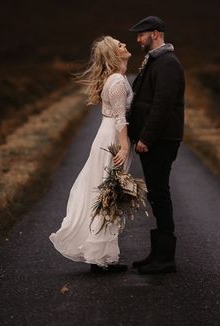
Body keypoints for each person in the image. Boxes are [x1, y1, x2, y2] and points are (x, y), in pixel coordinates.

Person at [49, 36, 133, 273]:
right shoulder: (116, 81)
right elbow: (120, 118)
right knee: (108, 193)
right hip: (112, 140)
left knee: (107, 193)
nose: (125, 45)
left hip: (106, 135)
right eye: (119, 45)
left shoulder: (116, 78)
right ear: (113, 55)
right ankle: (98, 255)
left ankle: (101, 257)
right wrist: (125, 147)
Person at [127, 16, 185, 274]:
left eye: (141, 35)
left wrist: (146, 138)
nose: (138, 39)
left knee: (160, 193)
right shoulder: (156, 61)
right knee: (156, 193)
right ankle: (157, 255)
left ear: (156, 33)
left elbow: (162, 106)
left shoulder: (168, 64)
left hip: (161, 141)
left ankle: (166, 259)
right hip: (155, 140)